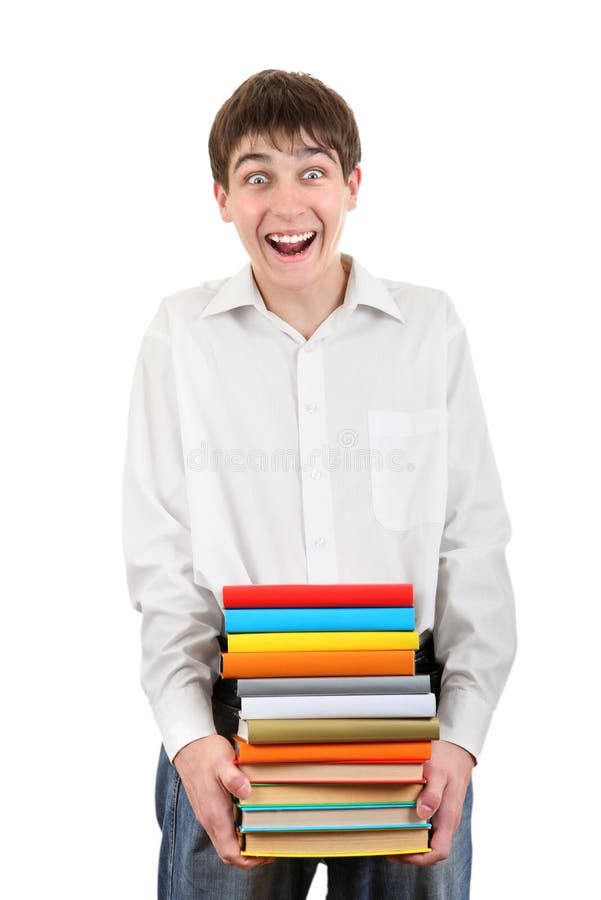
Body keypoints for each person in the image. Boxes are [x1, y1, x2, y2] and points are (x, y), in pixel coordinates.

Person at [122, 69, 516, 899]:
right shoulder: (180, 337)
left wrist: (462, 736)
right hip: (232, 717)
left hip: (407, 716)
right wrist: (190, 739)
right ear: (222, 198)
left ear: (352, 186)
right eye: (256, 177)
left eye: (312, 171)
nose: (287, 203)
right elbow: (162, 560)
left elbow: (471, 541)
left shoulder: (428, 328)